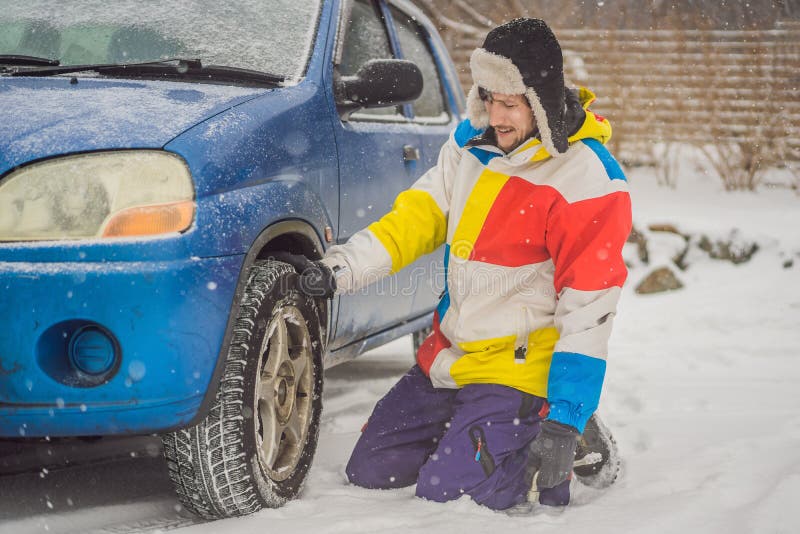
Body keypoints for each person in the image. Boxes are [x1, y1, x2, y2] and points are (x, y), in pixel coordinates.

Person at [277, 18, 631, 510]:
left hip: (518, 372)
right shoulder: (471, 145)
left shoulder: (587, 178)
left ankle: (559, 427)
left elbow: (590, 304)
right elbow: (414, 219)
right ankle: (476, 431)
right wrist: (340, 270)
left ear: (542, 102)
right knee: (371, 470)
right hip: (452, 357)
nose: (497, 116)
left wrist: (566, 421)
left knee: (450, 494)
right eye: (489, 100)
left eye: (510, 104)